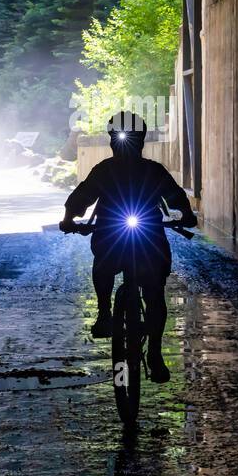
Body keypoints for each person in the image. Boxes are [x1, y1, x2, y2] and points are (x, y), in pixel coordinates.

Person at [60, 111, 197, 383]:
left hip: (146, 235)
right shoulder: (108, 170)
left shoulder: (150, 171)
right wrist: (69, 218)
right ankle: (104, 313)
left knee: (155, 291)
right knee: (104, 267)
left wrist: (187, 214)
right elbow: (82, 196)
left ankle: (154, 352)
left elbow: (177, 197)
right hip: (113, 232)